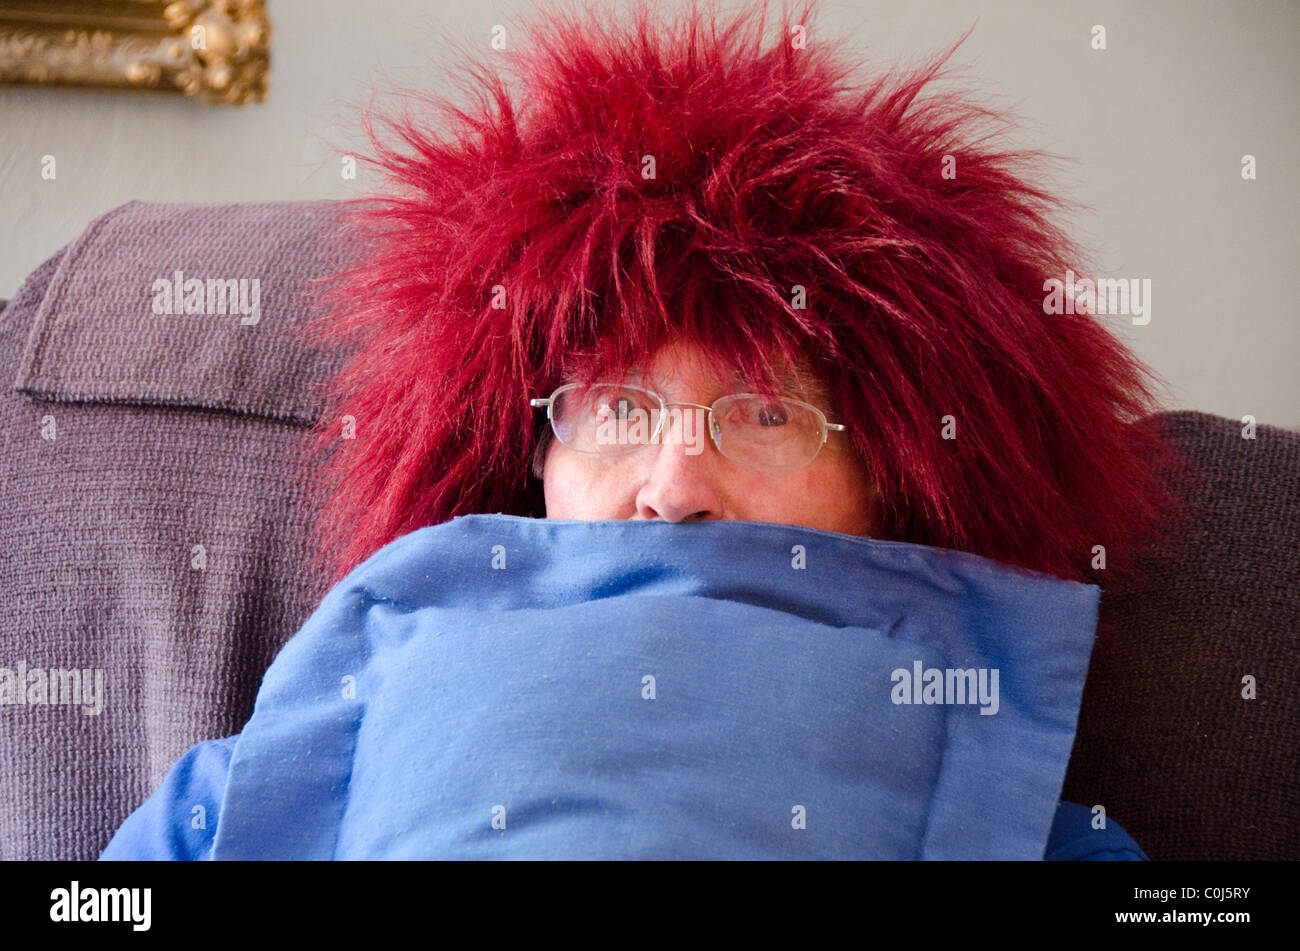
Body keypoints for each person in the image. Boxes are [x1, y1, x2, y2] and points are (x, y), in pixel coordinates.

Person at [101, 0, 1184, 860]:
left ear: (889, 471)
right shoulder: (287, 759)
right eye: (618, 408)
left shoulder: (1003, 787)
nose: (675, 488)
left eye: (765, 412)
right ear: (531, 456)